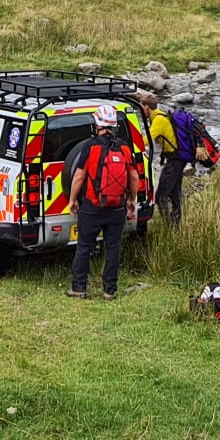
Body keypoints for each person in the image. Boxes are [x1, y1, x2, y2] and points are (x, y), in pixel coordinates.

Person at [66, 105, 139, 299]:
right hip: (117, 208)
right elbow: (133, 177)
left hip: (92, 206)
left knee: (84, 246)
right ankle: (109, 290)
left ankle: (79, 288)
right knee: (113, 247)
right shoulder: (124, 147)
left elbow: (79, 176)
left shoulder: (90, 146)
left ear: (96, 123)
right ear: (114, 125)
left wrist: (72, 200)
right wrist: (131, 199)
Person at [140, 92, 186, 225]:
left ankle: (169, 225)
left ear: (146, 107)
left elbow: (147, 139)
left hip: (174, 160)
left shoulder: (158, 120)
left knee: (161, 195)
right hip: (178, 159)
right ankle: (176, 223)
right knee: (174, 192)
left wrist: (129, 141)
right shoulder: (159, 117)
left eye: (142, 108)